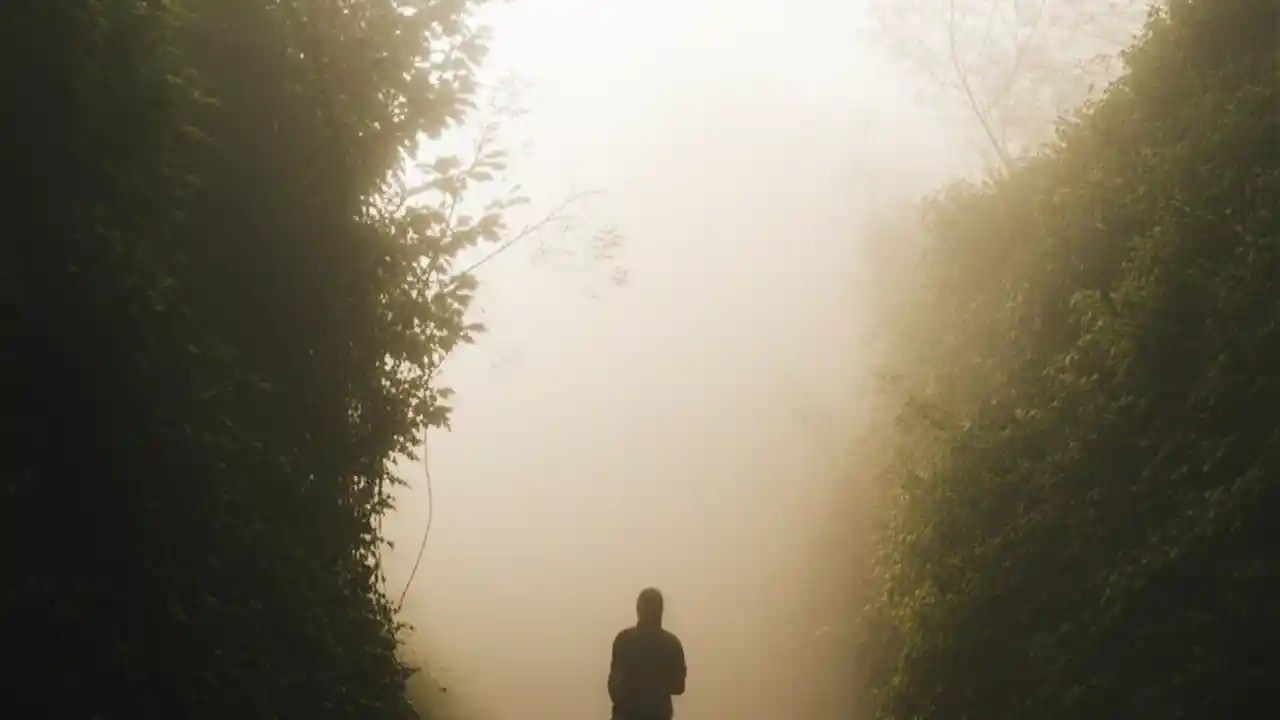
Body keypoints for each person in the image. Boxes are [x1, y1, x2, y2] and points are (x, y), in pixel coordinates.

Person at [608, 587, 686, 720]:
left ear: (638, 609)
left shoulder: (624, 640)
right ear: (661, 611)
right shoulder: (671, 644)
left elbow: (613, 687)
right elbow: (678, 686)